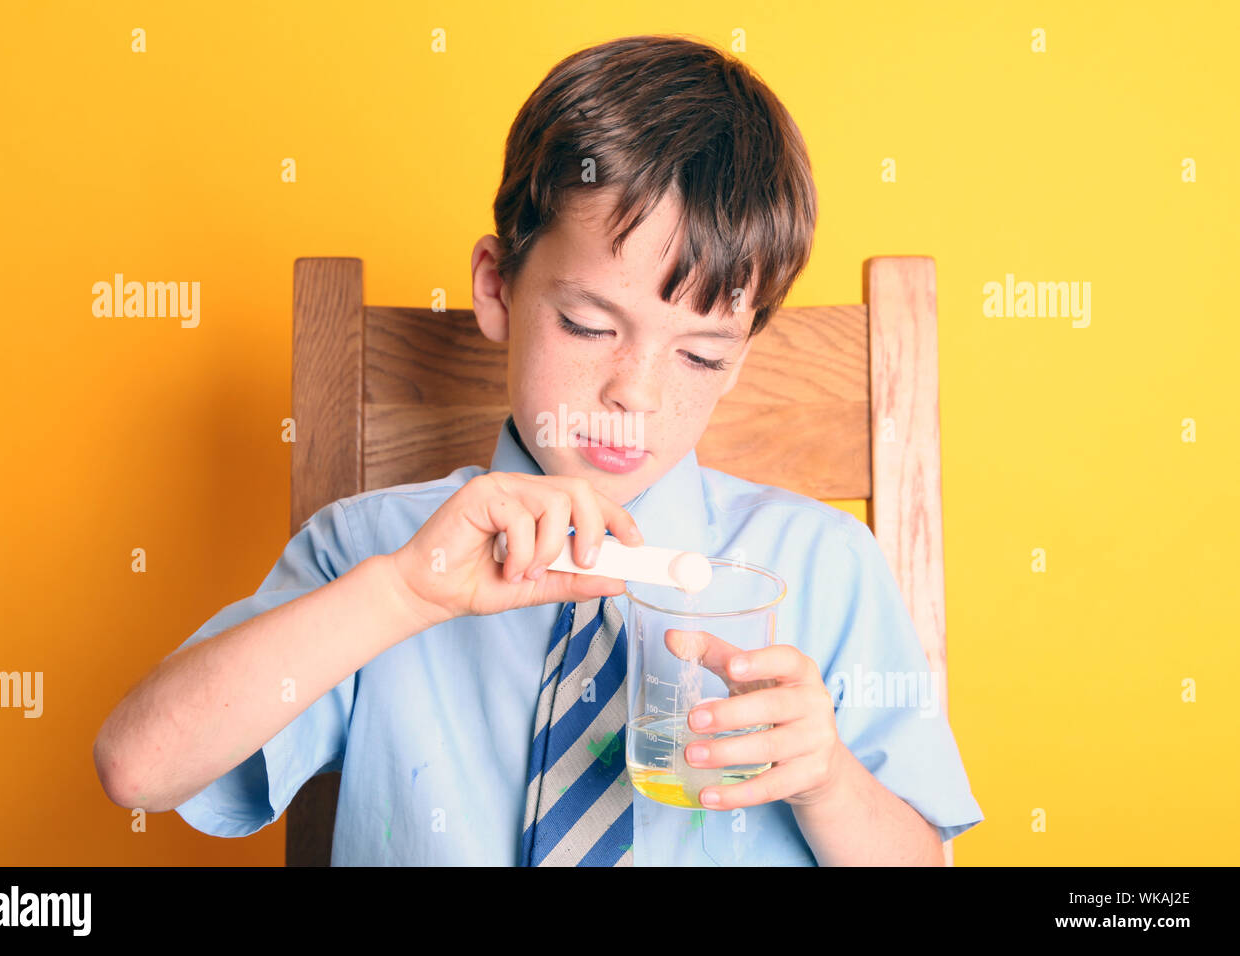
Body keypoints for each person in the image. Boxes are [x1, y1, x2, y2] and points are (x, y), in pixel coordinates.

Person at [93, 33, 982, 865]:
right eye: (590, 324)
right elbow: (140, 768)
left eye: (701, 354)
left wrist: (826, 778)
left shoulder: (822, 568)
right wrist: (398, 594)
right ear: (497, 288)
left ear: (741, 355)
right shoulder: (375, 553)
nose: (635, 391)